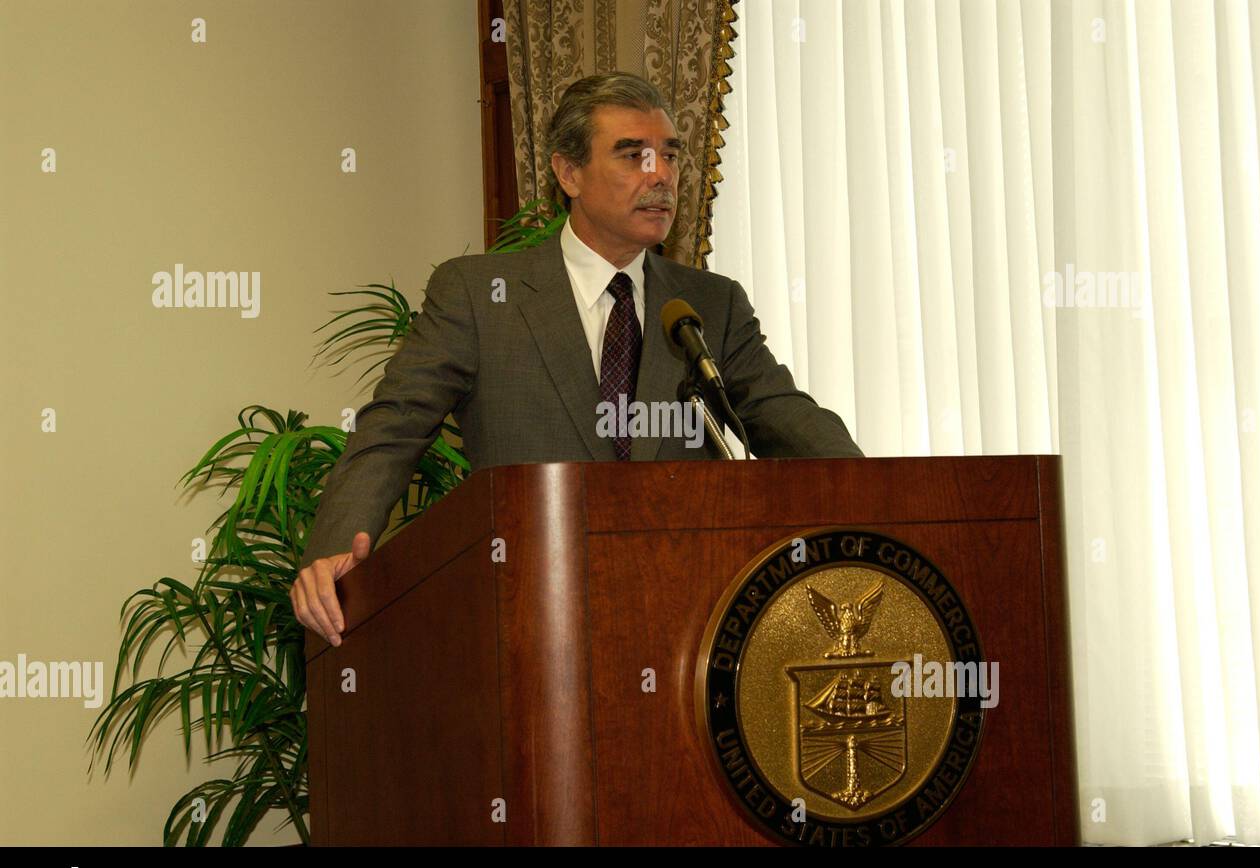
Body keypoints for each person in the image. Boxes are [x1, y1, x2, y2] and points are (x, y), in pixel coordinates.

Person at [291, 72, 863, 646]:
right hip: (530, 617)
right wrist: (335, 550)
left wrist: (885, 498)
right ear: (569, 173)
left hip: (688, 624)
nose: (660, 174)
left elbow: (785, 416)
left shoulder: (710, 304)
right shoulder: (481, 296)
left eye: (668, 154)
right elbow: (394, 427)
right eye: (632, 155)